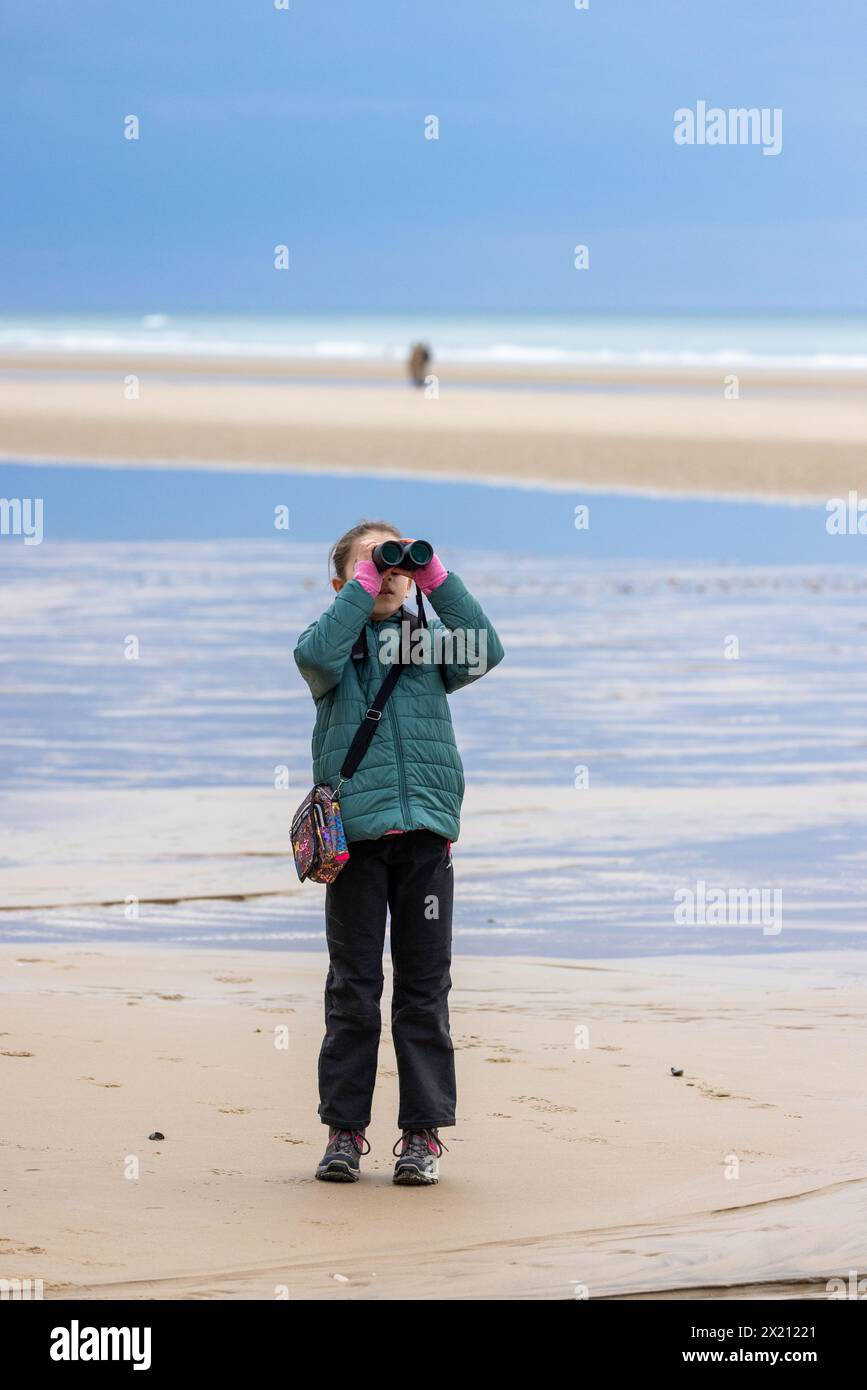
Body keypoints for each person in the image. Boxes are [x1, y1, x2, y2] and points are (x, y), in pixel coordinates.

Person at [293, 519, 505, 1185]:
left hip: (426, 840)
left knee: (422, 991)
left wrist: (434, 576)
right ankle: (344, 1132)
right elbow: (313, 654)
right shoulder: (332, 649)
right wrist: (361, 587)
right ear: (343, 581)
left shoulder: (426, 641)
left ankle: (421, 1135)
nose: (390, 570)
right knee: (353, 989)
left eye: (399, 559)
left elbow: (484, 651)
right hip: (356, 841)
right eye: (374, 561)